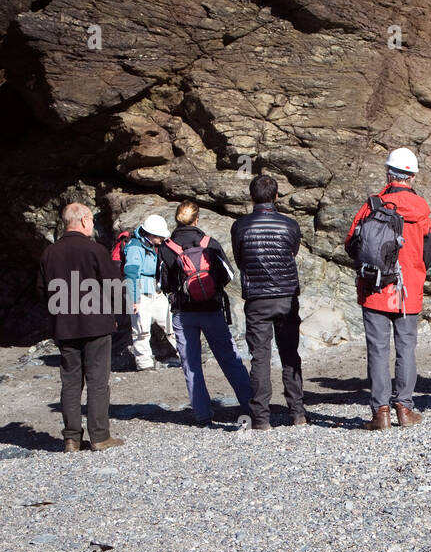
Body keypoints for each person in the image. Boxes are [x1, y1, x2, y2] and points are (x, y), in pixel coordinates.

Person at [346, 147, 431, 430]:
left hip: (375, 288)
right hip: (408, 291)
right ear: (413, 176)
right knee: (406, 348)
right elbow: (428, 256)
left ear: (389, 173)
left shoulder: (372, 205)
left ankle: (380, 412)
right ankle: (405, 409)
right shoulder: (422, 210)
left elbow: (352, 245)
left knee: (378, 350)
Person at [37, 203, 124, 451]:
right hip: (96, 324)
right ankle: (99, 437)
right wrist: (116, 312)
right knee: (97, 381)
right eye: (93, 220)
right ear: (84, 221)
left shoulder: (49, 253)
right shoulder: (95, 250)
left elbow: (42, 291)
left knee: (71, 382)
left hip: (64, 326)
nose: (94, 224)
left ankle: (72, 439)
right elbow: (114, 284)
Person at [159, 200, 252, 426]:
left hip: (183, 313)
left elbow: (162, 283)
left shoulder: (166, 248)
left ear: (176, 219)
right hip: (212, 309)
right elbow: (228, 274)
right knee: (229, 358)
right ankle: (251, 405)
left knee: (191, 364)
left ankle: (203, 415)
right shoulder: (210, 244)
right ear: (197, 219)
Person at [230, 174, 305, 430]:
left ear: (252, 198)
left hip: (257, 298)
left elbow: (240, 261)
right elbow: (292, 253)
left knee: (260, 358)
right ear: (275, 196)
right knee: (290, 354)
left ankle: (262, 418)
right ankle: (297, 413)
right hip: (286, 296)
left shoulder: (240, 226)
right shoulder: (289, 225)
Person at [122, 213, 178, 371]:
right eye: (160, 236)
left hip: (157, 292)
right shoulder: (134, 247)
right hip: (140, 295)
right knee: (141, 331)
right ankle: (144, 364)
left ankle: (186, 355)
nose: (162, 239)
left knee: (172, 325)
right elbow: (131, 274)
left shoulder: (155, 245)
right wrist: (133, 299)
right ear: (150, 234)